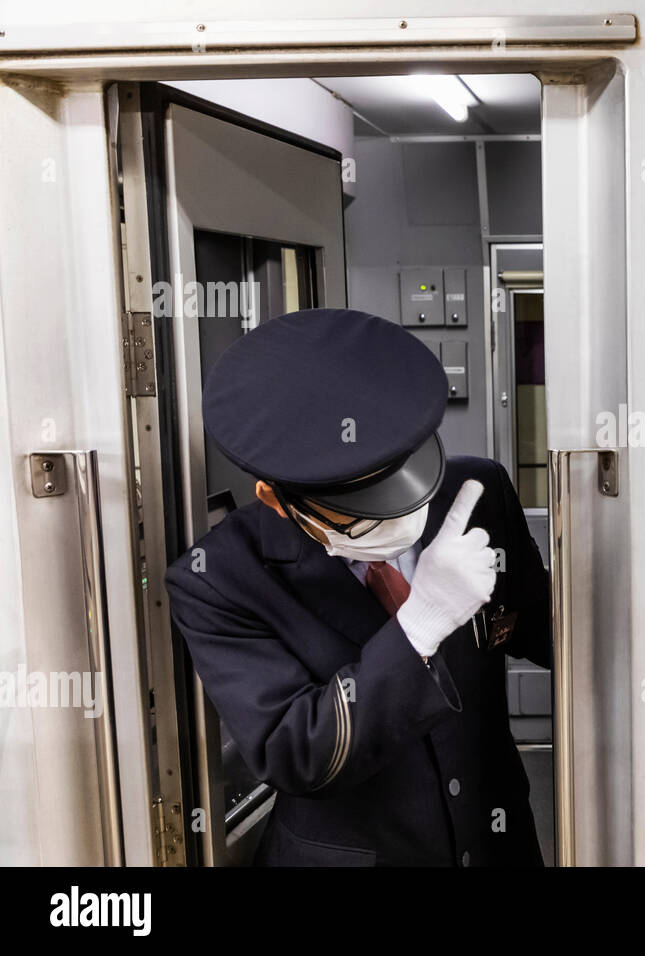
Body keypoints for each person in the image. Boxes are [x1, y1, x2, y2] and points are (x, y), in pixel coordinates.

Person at [164, 307, 551, 866]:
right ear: (276, 499)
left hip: (497, 837)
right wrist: (420, 626)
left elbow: (546, 632)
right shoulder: (218, 579)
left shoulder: (478, 488)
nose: (397, 520)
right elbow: (297, 752)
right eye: (361, 515)